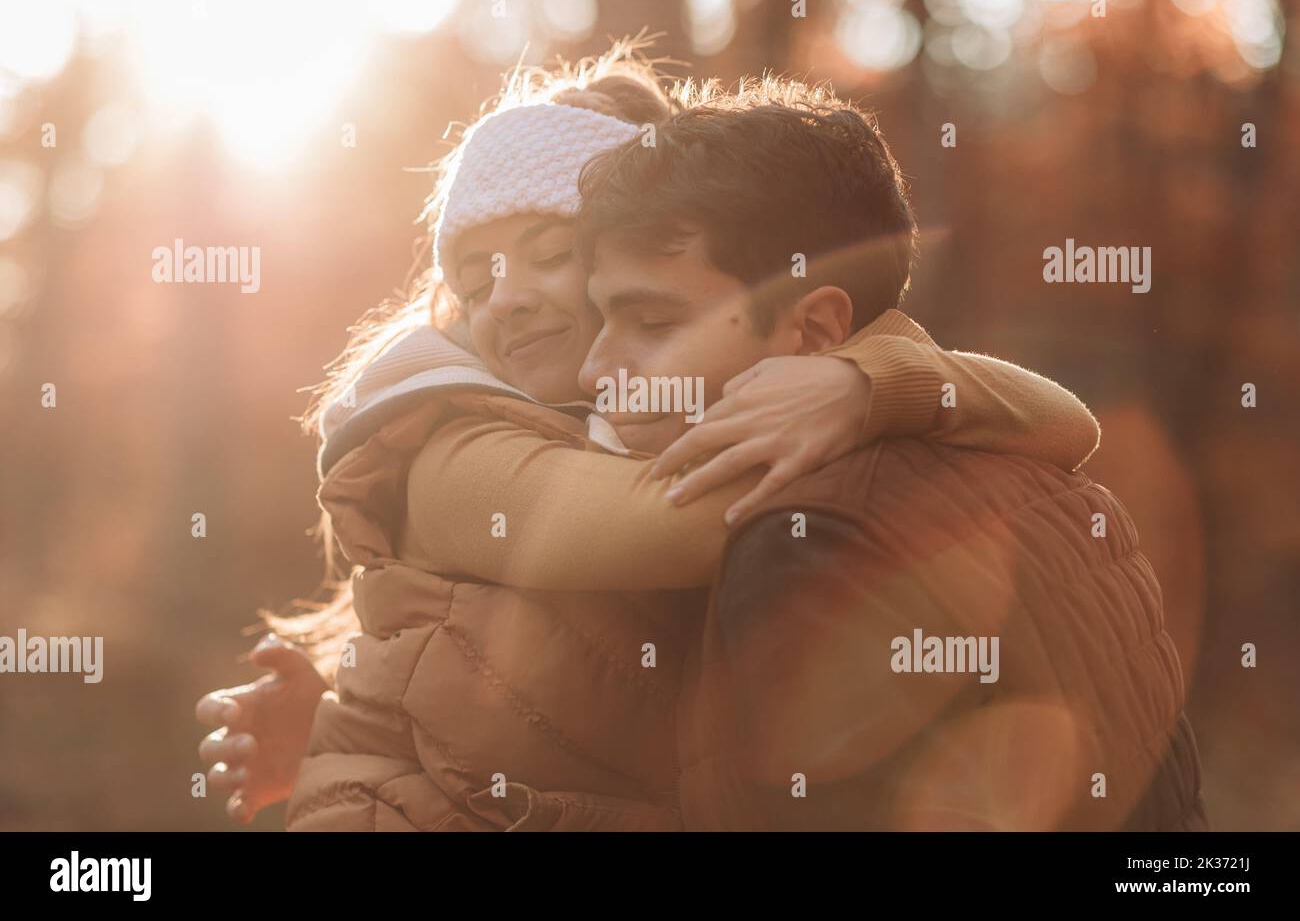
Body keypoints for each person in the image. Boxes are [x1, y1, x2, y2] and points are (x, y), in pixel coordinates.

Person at [196, 47, 1101, 830]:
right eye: (476, 276)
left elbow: (1071, 422)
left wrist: (865, 381)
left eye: (551, 257)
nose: (506, 295)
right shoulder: (446, 446)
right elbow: (689, 518)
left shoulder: (634, 403)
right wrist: (868, 389)